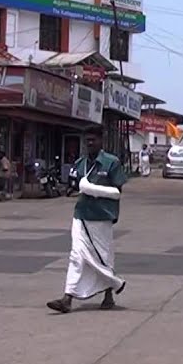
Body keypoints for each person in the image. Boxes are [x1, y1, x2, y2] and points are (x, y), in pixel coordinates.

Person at [47, 133, 128, 314]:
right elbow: (73, 186)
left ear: (101, 141)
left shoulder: (111, 162)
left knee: (103, 256)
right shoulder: (80, 163)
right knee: (77, 255)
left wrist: (91, 189)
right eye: (87, 140)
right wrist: (76, 186)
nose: (90, 143)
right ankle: (67, 298)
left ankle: (109, 293)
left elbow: (117, 192)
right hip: (81, 215)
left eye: (93, 139)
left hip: (102, 216)